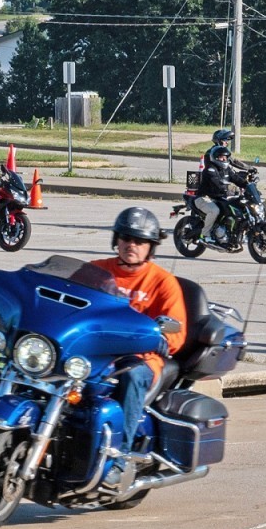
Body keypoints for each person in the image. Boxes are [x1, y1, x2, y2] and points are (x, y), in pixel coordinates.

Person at [90, 208, 188, 487]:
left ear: (151, 247)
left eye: (140, 241)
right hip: (97, 351)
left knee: (132, 377)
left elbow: (176, 334)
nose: (131, 245)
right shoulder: (96, 270)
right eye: (125, 237)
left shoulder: (163, 283)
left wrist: (155, 336)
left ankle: (119, 459)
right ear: (116, 240)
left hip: (141, 359)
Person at [195, 145, 247, 245]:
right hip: (204, 198)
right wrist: (230, 190)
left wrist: (247, 185)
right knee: (215, 210)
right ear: (215, 157)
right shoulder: (210, 169)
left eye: (226, 157)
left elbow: (236, 178)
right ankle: (204, 235)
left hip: (218, 198)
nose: (224, 159)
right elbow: (217, 183)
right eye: (221, 157)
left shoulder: (227, 169)